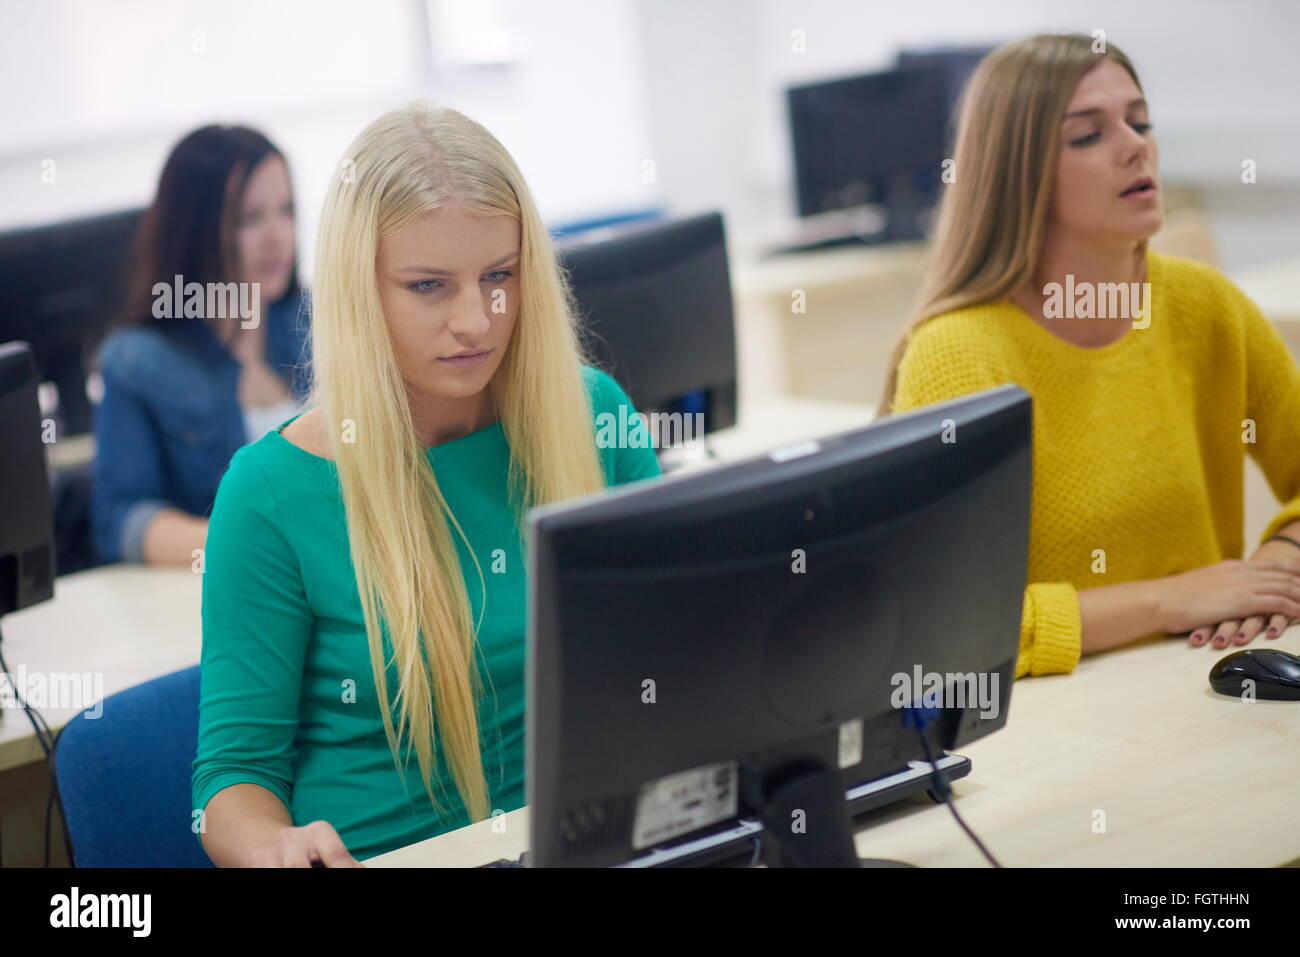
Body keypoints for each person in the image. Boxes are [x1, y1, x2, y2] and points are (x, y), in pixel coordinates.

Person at [192, 101, 661, 867]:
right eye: (428, 286)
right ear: (358, 291)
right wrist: (278, 847)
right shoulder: (269, 491)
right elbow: (232, 779)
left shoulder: (589, 413)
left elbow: (678, 639)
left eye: (499, 276)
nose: (477, 318)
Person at [881, 34, 1300, 678]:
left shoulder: (1203, 305)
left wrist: (1279, 560)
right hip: (1051, 727)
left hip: (1201, 681)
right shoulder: (957, 356)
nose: (1137, 146)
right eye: (1088, 136)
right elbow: (933, 622)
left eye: (1140, 121)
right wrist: (1169, 600)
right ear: (1017, 176)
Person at [91, 125, 311, 566]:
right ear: (195, 231)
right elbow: (119, 521)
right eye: (248, 219)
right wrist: (251, 548)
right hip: (230, 597)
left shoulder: (318, 326)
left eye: (285, 211)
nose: (277, 236)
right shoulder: (138, 360)